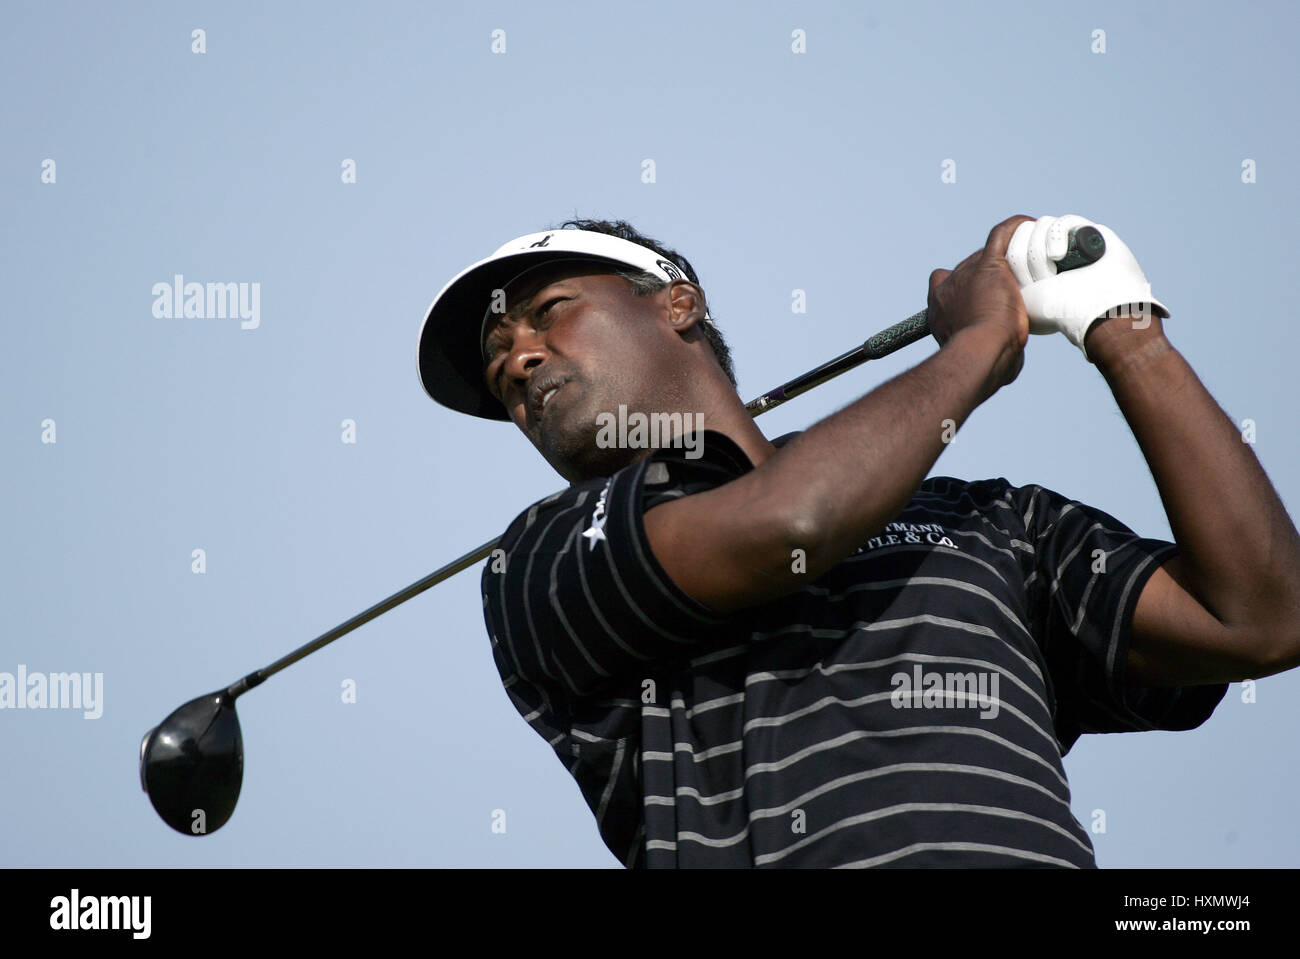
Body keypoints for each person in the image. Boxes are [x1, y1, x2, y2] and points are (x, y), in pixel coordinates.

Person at [416, 214, 1300, 867]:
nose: (516, 361)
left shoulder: (990, 521)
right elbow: (795, 521)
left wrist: (1126, 331)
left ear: (677, 305)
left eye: (546, 313)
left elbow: (1260, 620)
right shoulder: (541, 559)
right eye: (499, 359)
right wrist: (981, 345)